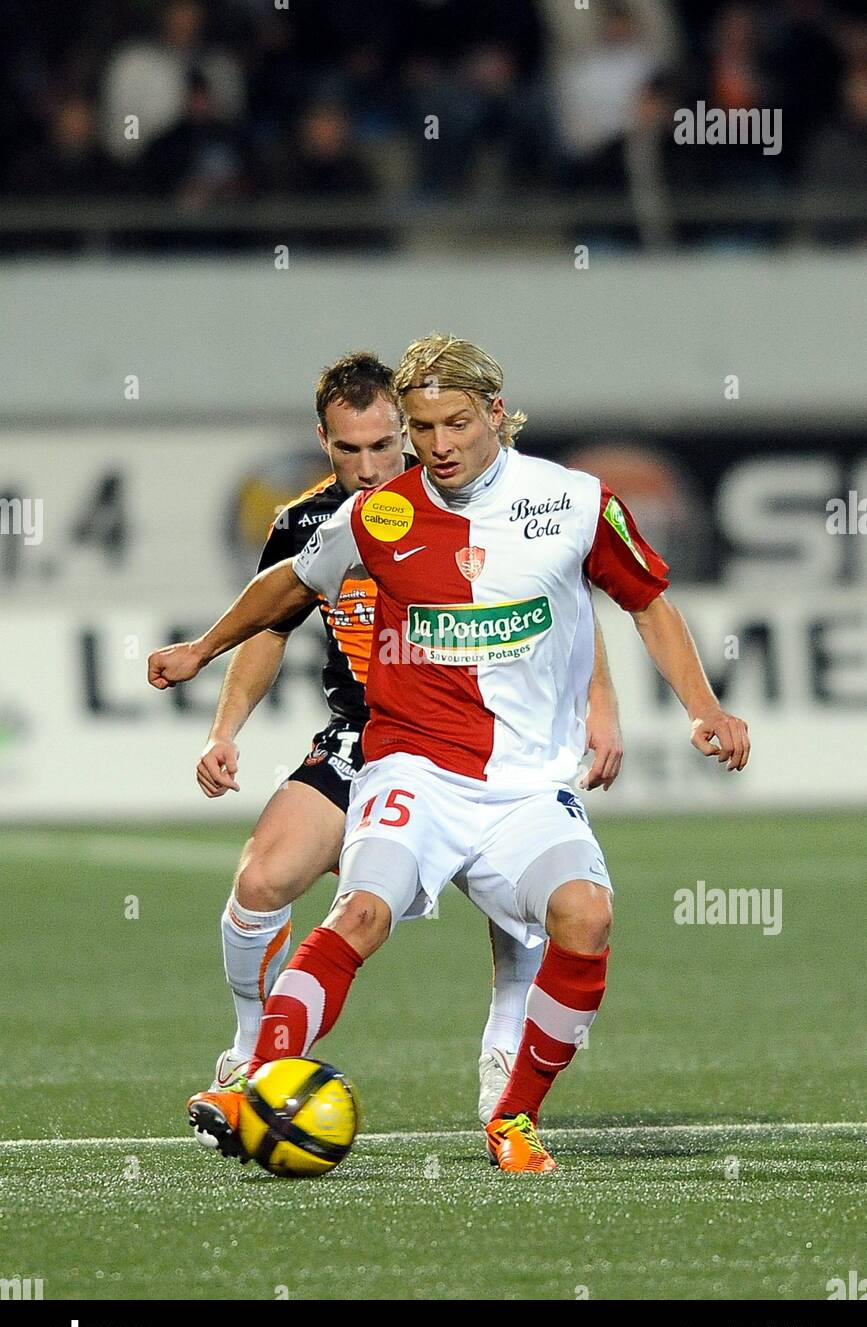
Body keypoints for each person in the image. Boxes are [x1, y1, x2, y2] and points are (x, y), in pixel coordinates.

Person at [148, 334, 749, 1173]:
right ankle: (252, 1076)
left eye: (455, 424)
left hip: (526, 787)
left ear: (496, 415)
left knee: (586, 918)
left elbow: (644, 602)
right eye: (422, 427)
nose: (438, 446)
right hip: (413, 768)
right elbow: (287, 586)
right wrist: (201, 649)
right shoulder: (380, 512)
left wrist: (703, 708)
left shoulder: (573, 501)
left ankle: (512, 1117)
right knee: (357, 913)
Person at [190, 350, 623, 1137]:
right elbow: (269, 623)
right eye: (347, 450)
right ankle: (252, 1063)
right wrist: (224, 728)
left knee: (526, 913)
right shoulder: (312, 522)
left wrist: (600, 706)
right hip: (368, 740)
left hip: (487, 741)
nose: (369, 465)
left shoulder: (474, 502)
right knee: (262, 882)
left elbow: (557, 603)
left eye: (385, 445)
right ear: (321, 441)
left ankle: (503, 1067)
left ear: (408, 430)